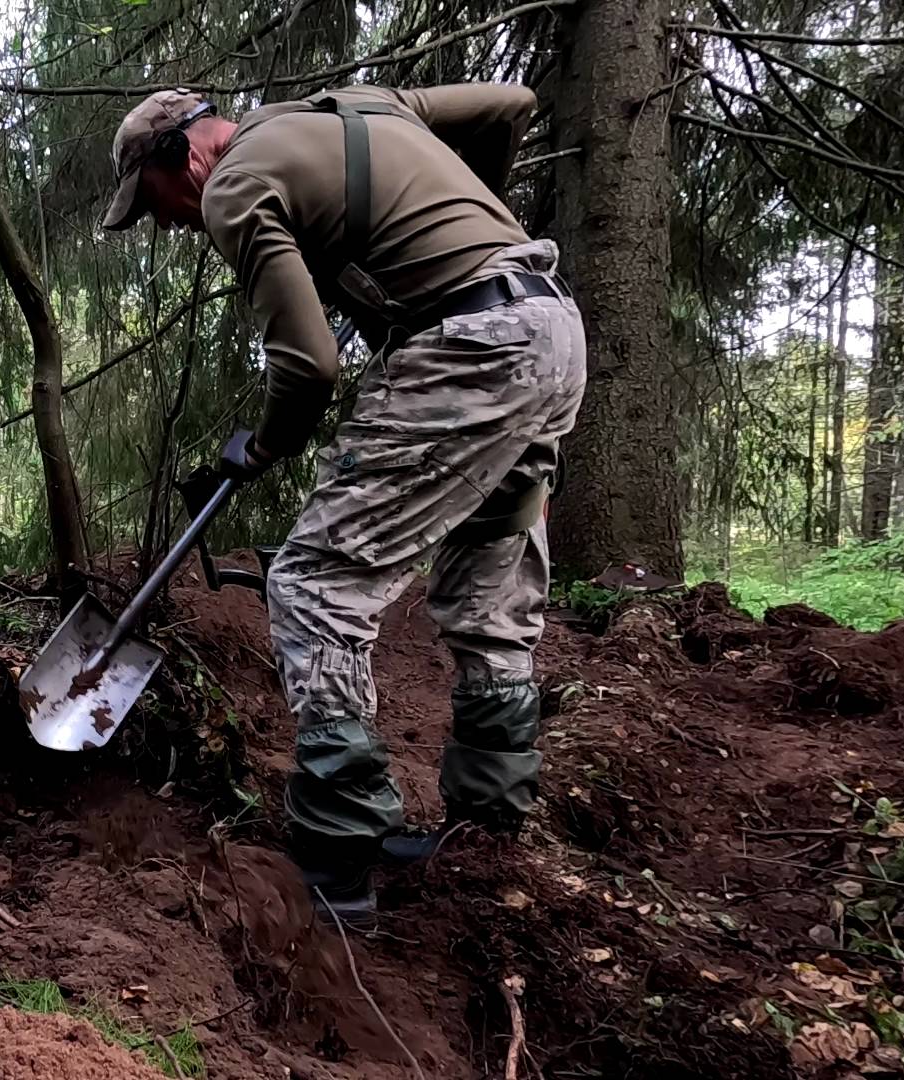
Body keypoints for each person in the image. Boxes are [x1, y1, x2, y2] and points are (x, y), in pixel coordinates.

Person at [102, 84, 587, 921]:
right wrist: (469, 223)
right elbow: (510, 105)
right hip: (549, 330)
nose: (172, 224)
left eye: (155, 205)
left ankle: (337, 854)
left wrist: (262, 446)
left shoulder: (231, 183)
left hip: (468, 349)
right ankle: (489, 830)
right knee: (487, 587)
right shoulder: (360, 105)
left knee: (315, 586)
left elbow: (309, 365)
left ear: (181, 155)